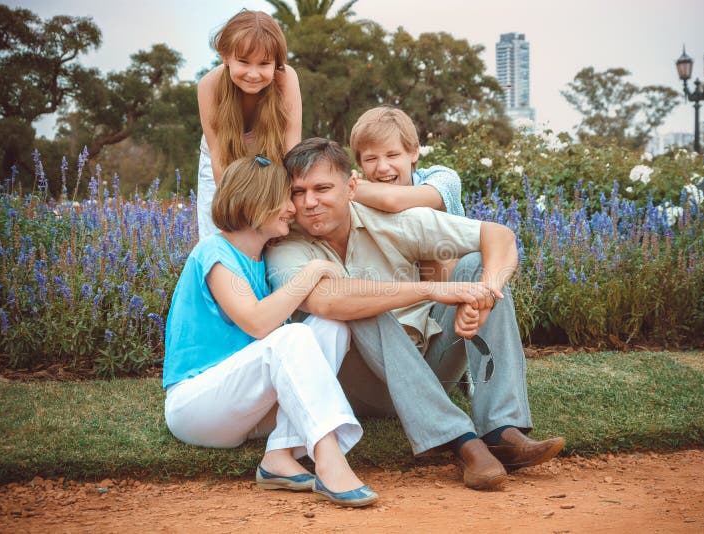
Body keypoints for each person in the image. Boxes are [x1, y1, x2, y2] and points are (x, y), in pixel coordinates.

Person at [266, 138, 565, 491]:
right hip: (358, 387)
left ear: (351, 188)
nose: (309, 202)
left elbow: (498, 235)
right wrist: (429, 289)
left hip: (428, 363)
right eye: (298, 192)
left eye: (322, 189)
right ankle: (462, 441)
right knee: (358, 304)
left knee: (476, 265)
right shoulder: (285, 247)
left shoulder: (389, 221)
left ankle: (501, 430)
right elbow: (327, 302)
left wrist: (486, 293)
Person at [163, 156, 377, 507]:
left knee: (332, 325)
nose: (293, 208)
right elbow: (258, 323)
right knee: (291, 336)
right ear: (256, 200)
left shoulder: (262, 260)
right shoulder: (213, 252)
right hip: (196, 408)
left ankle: (279, 455)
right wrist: (312, 271)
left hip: (248, 408)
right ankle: (329, 458)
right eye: (284, 198)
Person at [196, 9, 302, 240]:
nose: (253, 74)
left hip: (271, 158)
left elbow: (292, 152)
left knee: (273, 236)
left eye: (264, 63)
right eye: (243, 62)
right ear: (226, 57)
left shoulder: (286, 80)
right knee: (222, 232)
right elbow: (219, 160)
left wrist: (282, 202)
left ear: (277, 63)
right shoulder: (208, 86)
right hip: (222, 163)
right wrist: (234, 211)